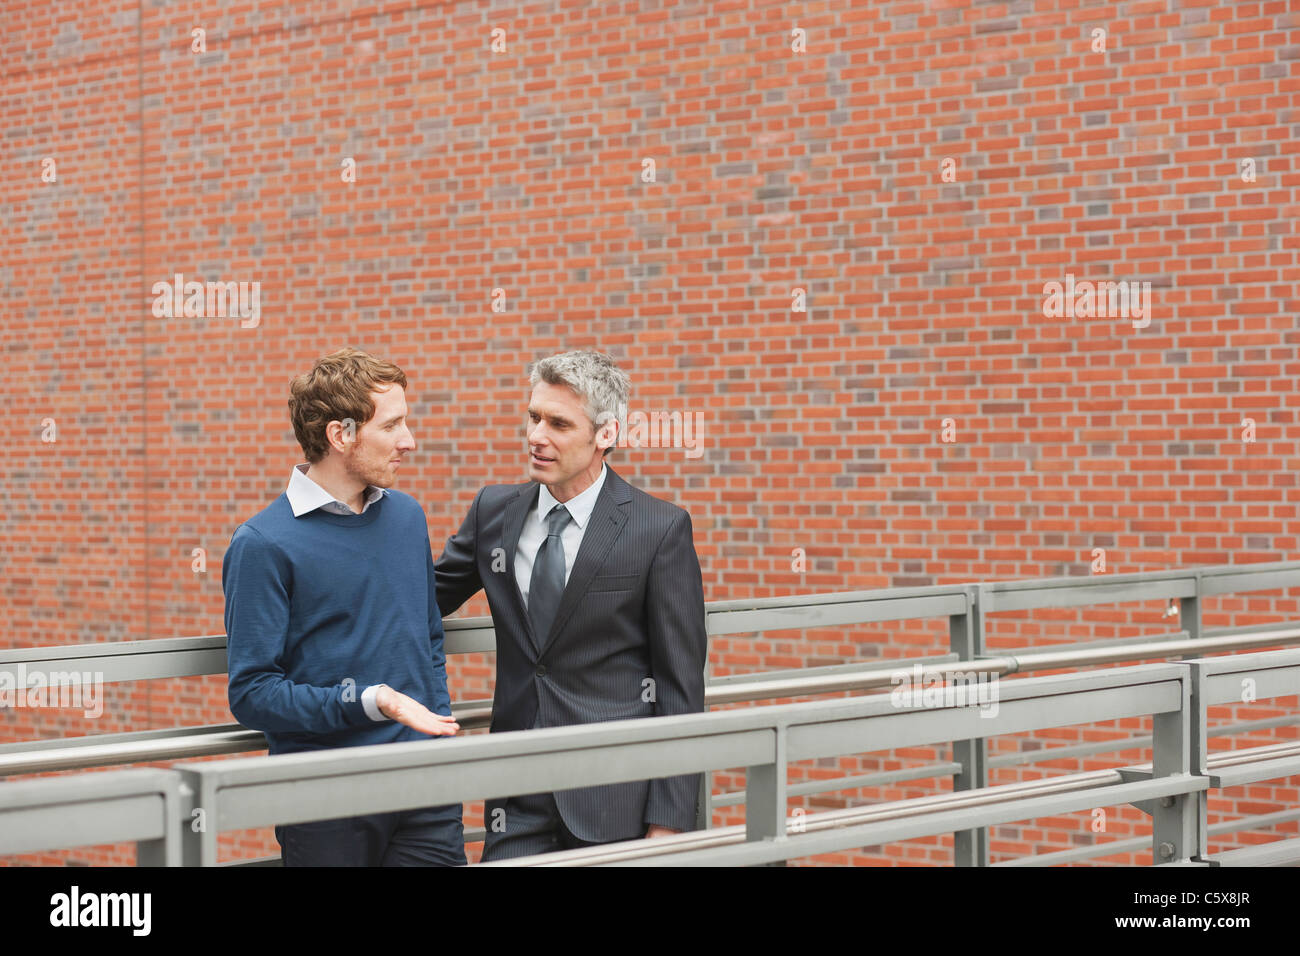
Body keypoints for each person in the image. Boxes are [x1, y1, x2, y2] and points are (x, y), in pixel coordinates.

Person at [434, 349, 707, 861]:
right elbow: (426, 597)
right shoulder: (494, 511)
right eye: (534, 417)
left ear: (605, 435)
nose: (537, 435)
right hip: (516, 795)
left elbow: (679, 687)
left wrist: (669, 822)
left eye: (559, 423)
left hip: (615, 798)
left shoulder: (659, 529)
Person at [222, 347, 465, 866]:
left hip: (424, 791)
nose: (409, 441)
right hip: (324, 799)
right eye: (393, 425)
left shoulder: (407, 517)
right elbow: (252, 693)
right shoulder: (262, 544)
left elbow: (428, 640)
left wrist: (435, 730)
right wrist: (368, 701)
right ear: (341, 435)